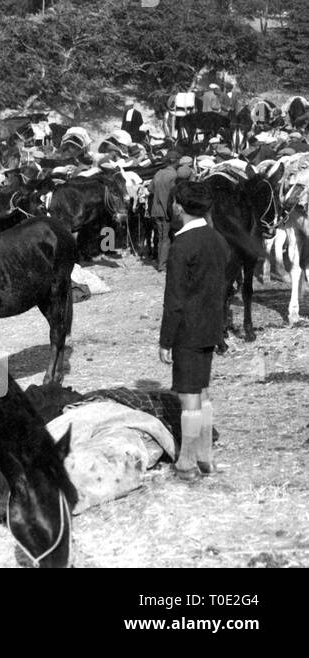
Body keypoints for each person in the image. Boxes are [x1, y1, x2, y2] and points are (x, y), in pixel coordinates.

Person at [159, 180, 230, 481]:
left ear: (180, 207)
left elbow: (174, 299)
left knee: (188, 396)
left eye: (175, 203)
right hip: (211, 327)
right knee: (203, 392)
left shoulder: (181, 245)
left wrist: (166, 340)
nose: (173, 207)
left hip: (187, 330)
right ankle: (206, 458)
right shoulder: (217, 239)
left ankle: (186, 463)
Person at [150, 151, 180, 272]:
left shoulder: (158, 173)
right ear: (177, 162)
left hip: (156, 210)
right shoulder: (174, 176)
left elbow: (150, 189)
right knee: (167, 238)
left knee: (161, 237)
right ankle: (163, 264)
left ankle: (161, 261)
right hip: (168, 211)